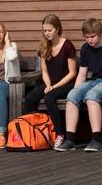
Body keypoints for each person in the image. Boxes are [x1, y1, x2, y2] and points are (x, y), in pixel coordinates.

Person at [57, 18, 102, 152]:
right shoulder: (85, 48)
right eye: (86, 37)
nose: (89, 40)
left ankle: (96, 140)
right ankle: (70, 139)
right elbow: (82, 75)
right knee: (72, 95)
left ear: (100, 33)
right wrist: (76, 91)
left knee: (91, 96)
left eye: (92, 36)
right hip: (93, 81)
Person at [22, 14, 77, 146]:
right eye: (45, 30)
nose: (47, 33)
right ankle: (34, 131)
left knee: (49, 97)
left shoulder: (67, 45)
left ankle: (59, 134)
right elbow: (45, 72)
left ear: (57, 29)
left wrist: (54, 87)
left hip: (66, 84)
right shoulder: (44, 46)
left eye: (49, 30)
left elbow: (72, 73)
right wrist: (48, 85)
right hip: (50, 84)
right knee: (30, 98)